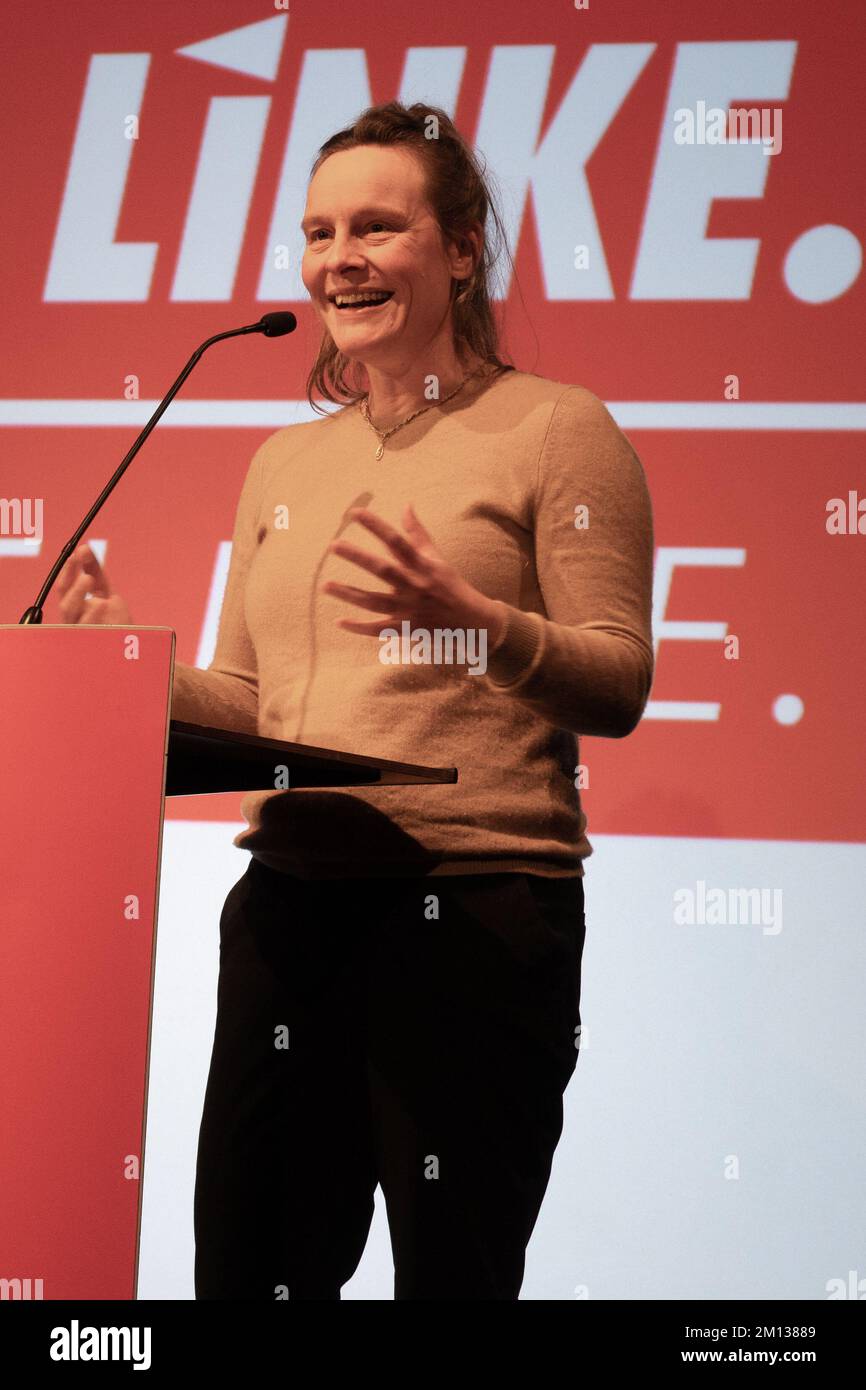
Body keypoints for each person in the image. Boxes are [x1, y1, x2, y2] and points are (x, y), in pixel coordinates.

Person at [56, 101, 654, 1300]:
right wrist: (127, 668)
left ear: (462, 250)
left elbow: (617, 676)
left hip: (472, 915)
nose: (340, 258)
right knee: (249, 1277)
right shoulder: (284, 459)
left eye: (377, 226)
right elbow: (253, 698)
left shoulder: (556, 430)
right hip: (288, 916)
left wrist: (474, 621)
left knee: (452, 1280)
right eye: (320, 231)